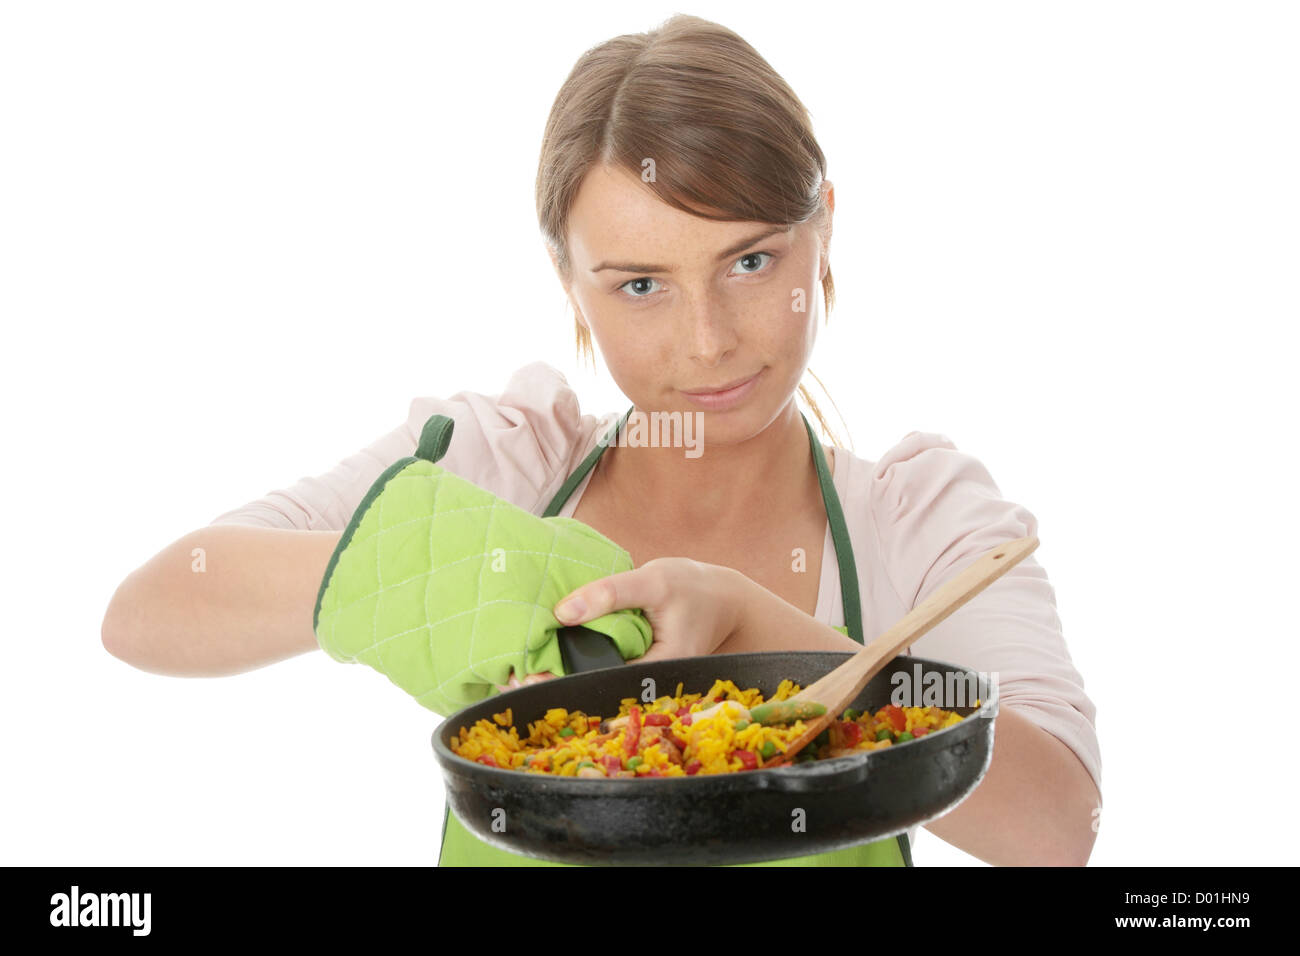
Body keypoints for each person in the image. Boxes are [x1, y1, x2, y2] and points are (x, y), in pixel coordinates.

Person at [101, 13, 1101, 866]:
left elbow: (1059, 823)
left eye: (750, 260)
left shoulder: (916, 522)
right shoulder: (506, 464)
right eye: (639, 284)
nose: (706, 340)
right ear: (566, 280)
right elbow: (150, 609)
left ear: (823, 230)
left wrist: (752, 630)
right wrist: (476, 579)